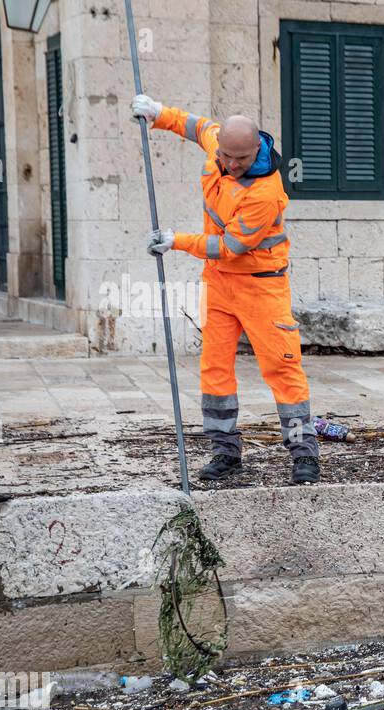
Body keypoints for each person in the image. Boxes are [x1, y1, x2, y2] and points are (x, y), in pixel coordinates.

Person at [130, 93, 320, 484]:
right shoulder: (222, 144)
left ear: (257, 150)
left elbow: (231, 248)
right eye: (227, 158)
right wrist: (157, 114)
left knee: (282, 368)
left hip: (261, 289)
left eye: (241, 159)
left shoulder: (265, 194)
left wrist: (176, 240)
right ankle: (225, 451)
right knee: (214, 368)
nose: (232, 165)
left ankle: (304, 454)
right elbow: (197, 126)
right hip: (218, 286)